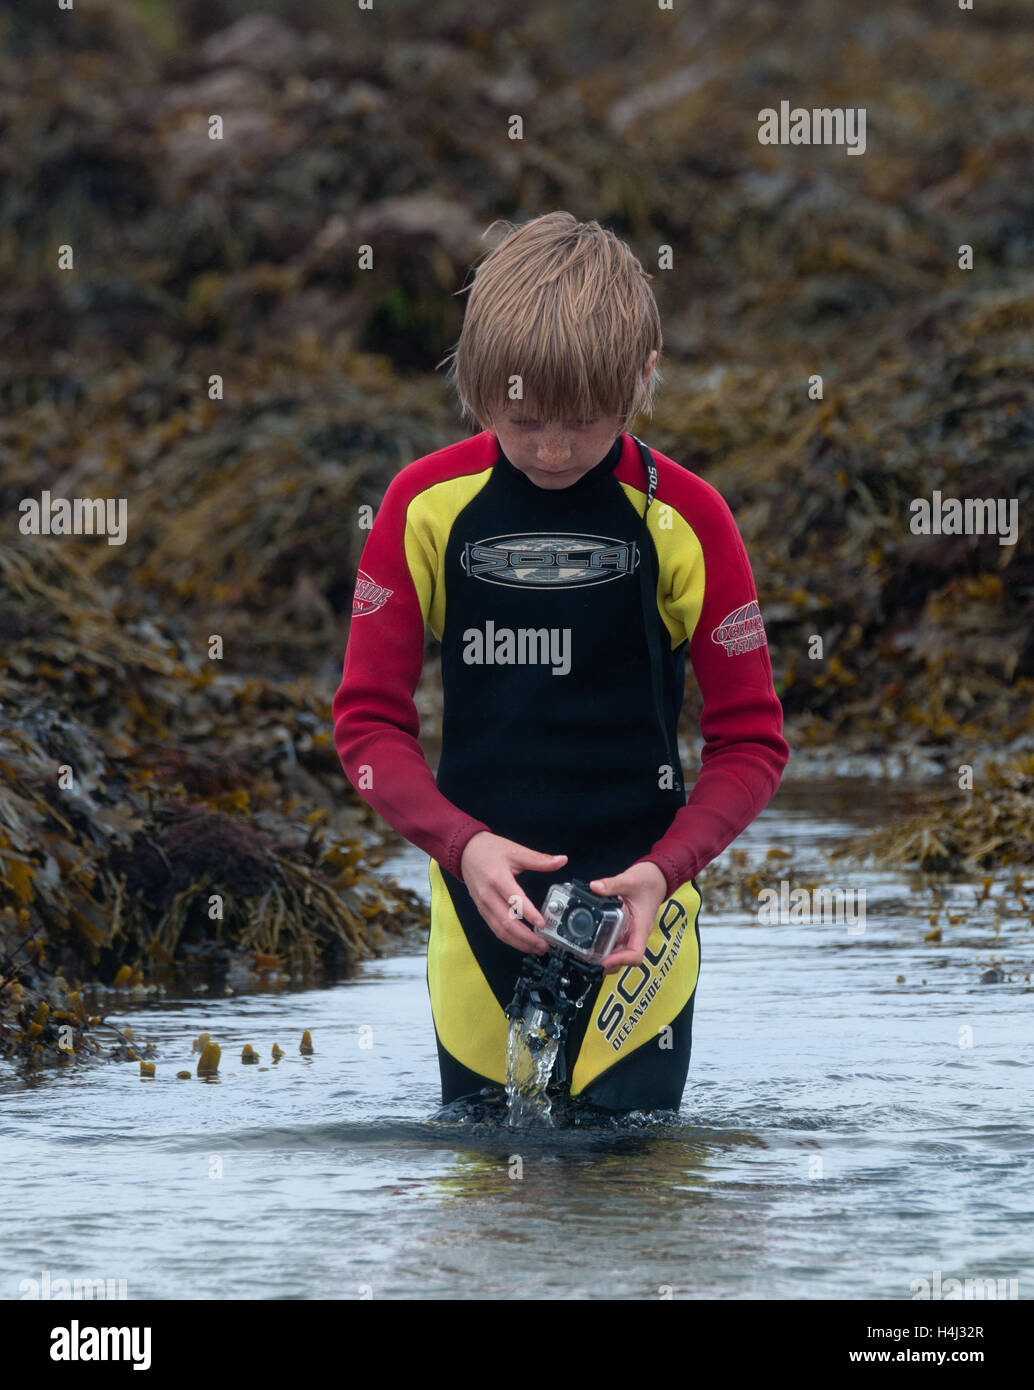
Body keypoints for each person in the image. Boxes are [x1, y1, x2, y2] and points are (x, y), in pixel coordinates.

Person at [332, 211, 788, 1116]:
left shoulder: (689, 519)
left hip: (642, 911)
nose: (549, 449)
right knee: (482, 1198)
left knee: (632, 1181)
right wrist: (461, 848)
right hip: (476, 902)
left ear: (643, 379)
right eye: (522, 419)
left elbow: (751, 743)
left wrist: (667, 870)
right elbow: (368, 726)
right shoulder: (423, 506)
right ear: (472, 386)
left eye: (581, 423)